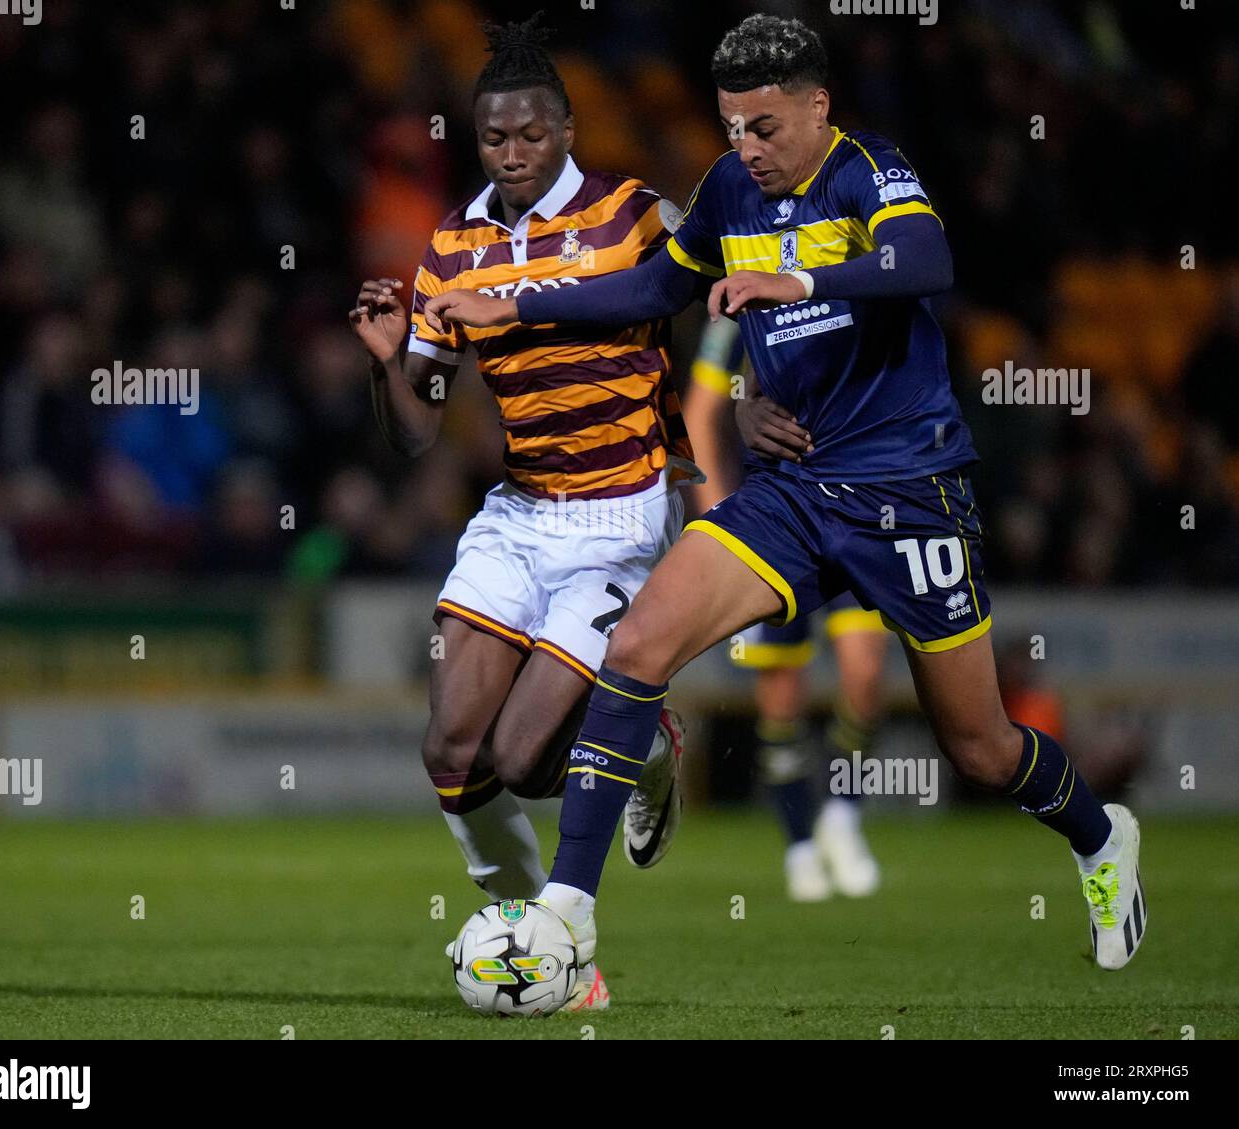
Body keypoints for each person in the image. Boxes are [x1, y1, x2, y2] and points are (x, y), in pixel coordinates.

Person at [425, 14, 1148, 983]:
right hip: (795, 488)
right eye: (731, 127)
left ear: (817, 107)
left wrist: (792, 275)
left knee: (979, 747)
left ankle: (1101, 840)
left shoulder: (867, 171)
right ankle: (570, 911)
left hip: (906, 489)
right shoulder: (727, 191)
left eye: (764, 127)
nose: (745, 149)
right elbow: (646, 292)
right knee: (637, 645)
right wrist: (513, 305)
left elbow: (925, 266)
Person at [349, 15, 697, 1012]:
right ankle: (536, 950)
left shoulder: (633, 213)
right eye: (494, 138)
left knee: (521, 755)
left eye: (529, 134)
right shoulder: (453, 248)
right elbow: (416, 430)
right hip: (518, 514)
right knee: (451, 751)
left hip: (620, 517)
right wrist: (389, 369)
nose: (510, 152)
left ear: (565, 127)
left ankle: (643, 748)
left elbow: (709, 292)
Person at [685, 317, 887, 901]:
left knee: (866, 672)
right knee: (780, 699)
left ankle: (843, 815)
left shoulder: (839, 291)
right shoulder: (734, 318)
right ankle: (799, 844)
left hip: (848, 514)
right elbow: (700, 415)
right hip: (774, 521)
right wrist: (719, 511)